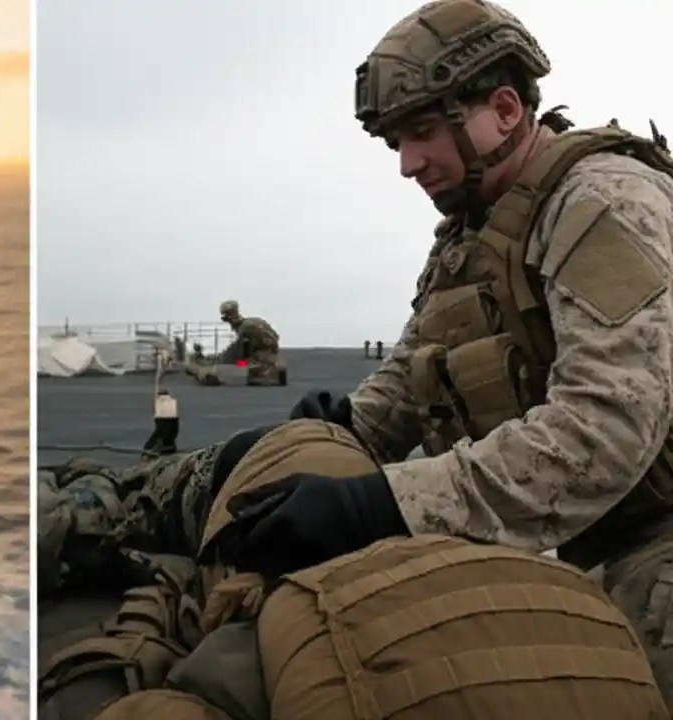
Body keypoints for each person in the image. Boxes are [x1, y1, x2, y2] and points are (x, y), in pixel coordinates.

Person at [225, 0, 673, 701]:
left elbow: (604, 430)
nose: (408, 164)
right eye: (395, 142)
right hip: (570, 530)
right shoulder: (474, 230)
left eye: (424, 133)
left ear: (503, 109)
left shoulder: (603, 203)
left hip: (652, 539)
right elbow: (415, 367)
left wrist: (380, 506)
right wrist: (339, 432)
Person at [217, 299, 284, 385]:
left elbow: (237, 348)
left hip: (258, 357)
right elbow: (276, 336)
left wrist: (222, 359)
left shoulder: (244, 327)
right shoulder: (256, 320)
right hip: (272, 351)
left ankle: (264, 372)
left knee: (239, 363)